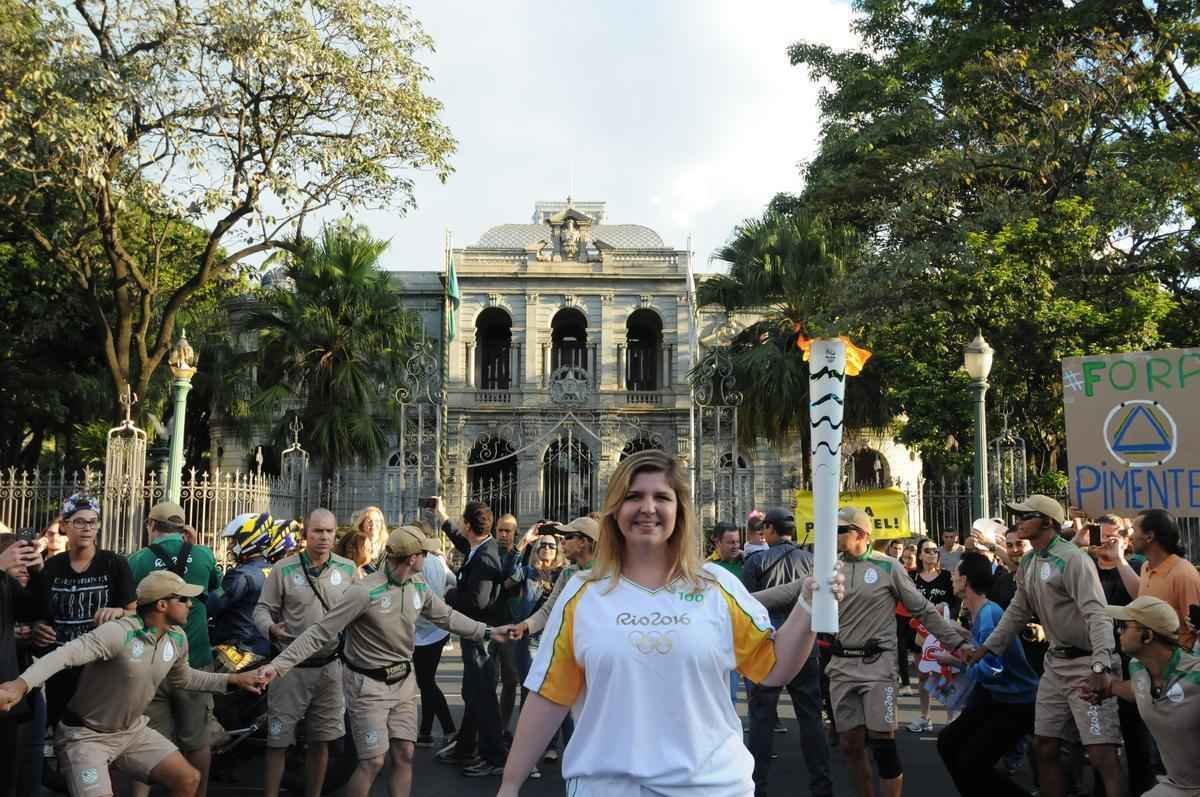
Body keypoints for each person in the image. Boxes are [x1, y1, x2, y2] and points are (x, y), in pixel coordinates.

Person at [497, 450, 844, 797]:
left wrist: (808, 605)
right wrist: (510, 785)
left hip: (710, 787)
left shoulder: (716, 586)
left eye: (662, 497)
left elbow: (773, 668)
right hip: (607, 787)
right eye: (634, 496)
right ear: (615, 510)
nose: (648, 508)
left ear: (679, 511)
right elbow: (549, 696)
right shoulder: (582, 594)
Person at [259, 526, 514, 797]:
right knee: (372, 762)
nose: (428, 557)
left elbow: (447, 616)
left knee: (404, 754)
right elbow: (321, 632)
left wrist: (488, 631)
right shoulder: (364, 592)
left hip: (403, 683)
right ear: (412, 558)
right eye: (424, 553)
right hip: (368, 687)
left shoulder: (418, 584)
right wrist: (278, 665)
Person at [755, 506, 971, 797]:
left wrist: (957, 644)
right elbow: (792, 590)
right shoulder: (830, 567)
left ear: (861, 534)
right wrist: (736, 598)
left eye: (839, 530)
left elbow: (923, 609)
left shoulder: (888, 567)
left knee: (883, 743)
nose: (833, 536)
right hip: (841, 666)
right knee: (850, 744)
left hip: (878, 664)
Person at [0, 570, 264, 797]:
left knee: (188, 779)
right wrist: (20, 685)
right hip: (86, 736)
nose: (191, 605)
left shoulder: (176, 638)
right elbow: (64, 655)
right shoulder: (119, 632)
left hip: (132, 732)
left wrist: (234, 679)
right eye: (183, 599)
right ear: (162, 605)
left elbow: (184, 677)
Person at [970, 495, 1123, 797]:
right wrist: (986, 648)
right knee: (1044, 745)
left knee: (1101, 752)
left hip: (1087, 664)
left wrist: (1100, 666)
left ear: (1048, 522)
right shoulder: (1029, 562)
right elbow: (1017, 611)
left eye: (1027, 516)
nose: (1018, 522)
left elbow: (1097, 614)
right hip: (1054, 666)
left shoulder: (1073, 559)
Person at [253, 508, 356, 797]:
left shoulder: (348, 570)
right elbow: (262, 609)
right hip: (289, 670)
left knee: (321, 741)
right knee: (278, 742)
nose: (324, 537)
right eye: (317, 531)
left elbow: (361, 611)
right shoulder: (283, 569)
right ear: (305, 534)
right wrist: (270, 628)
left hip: (330, 669)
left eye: (329, 531)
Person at [126, 501, 223, 797]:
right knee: (197, 740)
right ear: (183, 528)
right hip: (194, 659)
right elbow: (216, 587)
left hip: (152, 660)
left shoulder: (137, 559)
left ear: (151, 525)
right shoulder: (203, 555)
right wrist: (194, 546)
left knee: (146, 740)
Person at [741, 506, 833, 797]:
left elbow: (746, 605)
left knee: (760, 719)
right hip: (805, 642)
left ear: (769, 529)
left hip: (766, 642)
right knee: (810, 716)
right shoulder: (812, 561)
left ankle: (756, 787)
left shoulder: (755, 561)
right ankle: (822, 786)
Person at [936, 551, 1038, 796]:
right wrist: (961, 642)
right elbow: (983, 658)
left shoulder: (989, 614)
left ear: (965, 580)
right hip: (996, 697)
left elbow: (992, 669)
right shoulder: (981, 611)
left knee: (972, 763)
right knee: (948, 744)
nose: (951, 577)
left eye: (955, 573)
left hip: (1016, 702)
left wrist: (959, 657)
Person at [32, 494, 136, 728]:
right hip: (61, 668)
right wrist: (38, 627)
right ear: (65, 526)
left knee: (96, 732)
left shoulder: (114, 563)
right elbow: (40, 614)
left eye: (92, 521)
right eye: (79, 522)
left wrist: (119, 612)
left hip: (101, 669)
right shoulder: (52, 566)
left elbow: (136, 615)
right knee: (61, 731)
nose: (87, 528)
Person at [433, 499, 509, 776]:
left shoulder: (485, 556)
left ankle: (494, 757)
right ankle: (466, 746)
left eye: (462, 522)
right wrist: (442, 516)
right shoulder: (480, 546)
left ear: (468, 524)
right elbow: (462, 542)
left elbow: (478, 601)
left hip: (481, 635)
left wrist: (450, 594)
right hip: (477, 633)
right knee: (473, 692)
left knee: (483, 695)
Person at [1098, 596, 1200, 797]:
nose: (1118, 632)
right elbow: (1137, 690)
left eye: (1125, 626)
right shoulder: (1137, 668)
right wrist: (1108, 689)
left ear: (1148, 635)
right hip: (1176, 786)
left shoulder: (1195, 677)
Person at [0, 533, 44, 795]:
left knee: (7, 779)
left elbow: (34, 610)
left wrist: (38, 574)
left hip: (7, 698)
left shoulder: (7, 583)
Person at [509, 515, 599, 640]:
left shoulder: (610, 573)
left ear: (583, 542)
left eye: (568, 537)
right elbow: (550, 609)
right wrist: (524, 626)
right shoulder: (567, 574)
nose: (562, 541)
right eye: (543, 545)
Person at [1132, 509, 1200, 652]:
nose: (1130, 536)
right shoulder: (1145, 567)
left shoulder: (1183, 574)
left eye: (1134, 530)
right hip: (1150, 659)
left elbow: (1195, 629)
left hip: (1178, 662)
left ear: (1149, 536)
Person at [209, 512, 275, 658]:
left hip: (238, 651)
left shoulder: (240, 575)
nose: (229, 547)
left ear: (247, 541)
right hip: (265, 647)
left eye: (233, 541)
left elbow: (213, 604)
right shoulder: (274, 570)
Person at [413, 531, 457, 749]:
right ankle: (425, 731)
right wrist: (445, 594)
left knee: (426, 683)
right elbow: (454, 581)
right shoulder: (438, 560)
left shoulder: (415, 563)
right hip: (437, 629)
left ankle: (449, 728)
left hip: (422, 631)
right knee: (426, 681)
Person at [908, 537, 955, 733]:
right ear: (919, 555)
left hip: (941, 633)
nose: (932, 553)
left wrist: (945, 605)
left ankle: (951, 719)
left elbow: (956, 600)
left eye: (935, 550)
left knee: (943, 674)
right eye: (927, 550)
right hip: (919, 633)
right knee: (922, 675)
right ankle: (924, 717)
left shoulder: (946, 576)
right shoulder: (912, 577)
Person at [492, 513, 521, 742]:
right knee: (487, 680)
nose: (503, 534)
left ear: (515, 533)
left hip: (511, 624)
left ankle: (502, 727)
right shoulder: (490, 552)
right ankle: (488, 727)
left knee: (511, 679)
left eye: (508, 531)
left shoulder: (521, 556)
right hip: (487, 624)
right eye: (500, 530)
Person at [350, 506, 388, 572]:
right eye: (369, 520)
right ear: (362, 524)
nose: (373, 524)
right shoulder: (354, 544)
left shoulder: (388, 546)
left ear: (381, 524)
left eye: (377, 521)